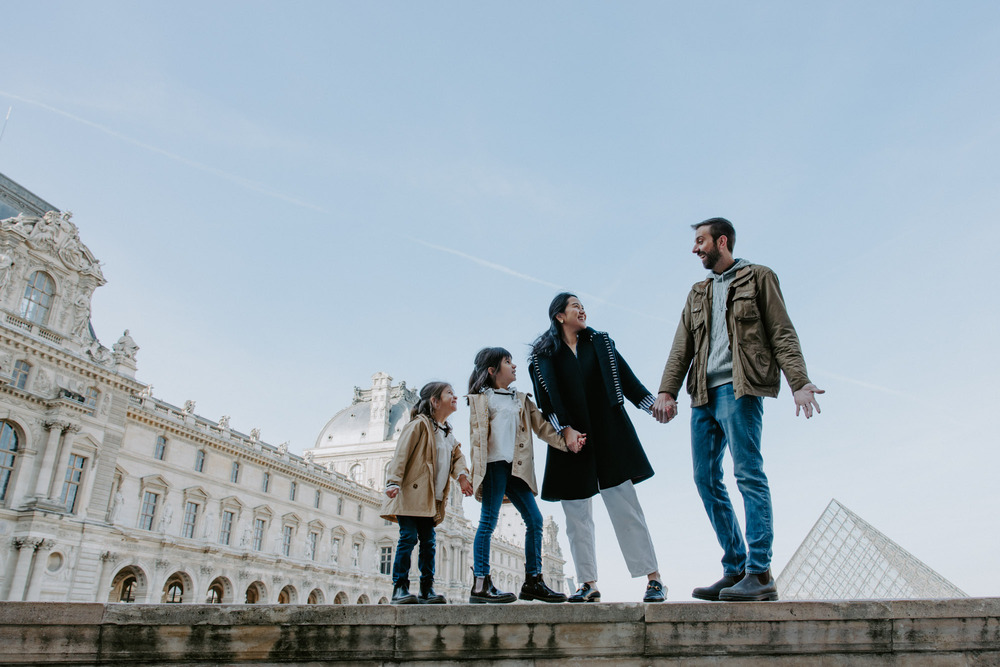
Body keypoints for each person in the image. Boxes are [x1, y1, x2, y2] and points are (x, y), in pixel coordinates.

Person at [653, 217, 824, 602]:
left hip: (740, 389)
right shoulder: (697, 292)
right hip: (702, 396)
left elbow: (782, 331)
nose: (695, 249)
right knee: (705, 480)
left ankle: (759, 572)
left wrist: (799, 381)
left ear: (722, 241)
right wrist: (667, 391)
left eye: (700, 241)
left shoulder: (759, 277)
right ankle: (734, 569)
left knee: (748, 475)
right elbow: (681, 347)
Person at [528, 293, 666, 603]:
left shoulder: (601, 343)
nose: (582, 309)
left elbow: (628, 381)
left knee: (626, 508)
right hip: (572, 441)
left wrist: (652, 407)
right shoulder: (542, 358)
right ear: (559, 316)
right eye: (575, 305)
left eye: (582, 305)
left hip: (609, 435)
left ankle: (654, 580)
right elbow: (545, 402)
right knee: (576, 517)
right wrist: (565, 430)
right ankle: (587, 584)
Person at [467, 347, 572, 604]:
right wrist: (472, 475)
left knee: (535, 520)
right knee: (488, 522)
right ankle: (480, 582)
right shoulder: (481, 400)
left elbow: (543, 427)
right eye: (507, 361)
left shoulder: (521, 399)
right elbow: (476, 442)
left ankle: (533, 581)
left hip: (517, 468)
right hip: (493, 467)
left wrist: (567, 442)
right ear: (492, 371)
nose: (514, 366)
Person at [380, 382, 473, 604]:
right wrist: (393, 481)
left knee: (429, 544)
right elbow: (401, 453)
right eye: (449, 393)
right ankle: (400, 587)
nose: (455, 396)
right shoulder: (419, 425)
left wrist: (462, 476)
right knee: (408, 538)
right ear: (435, 401)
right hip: (411, 496)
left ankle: (426, 589)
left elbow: (457, 458)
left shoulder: (448, 433)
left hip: (431, 499)